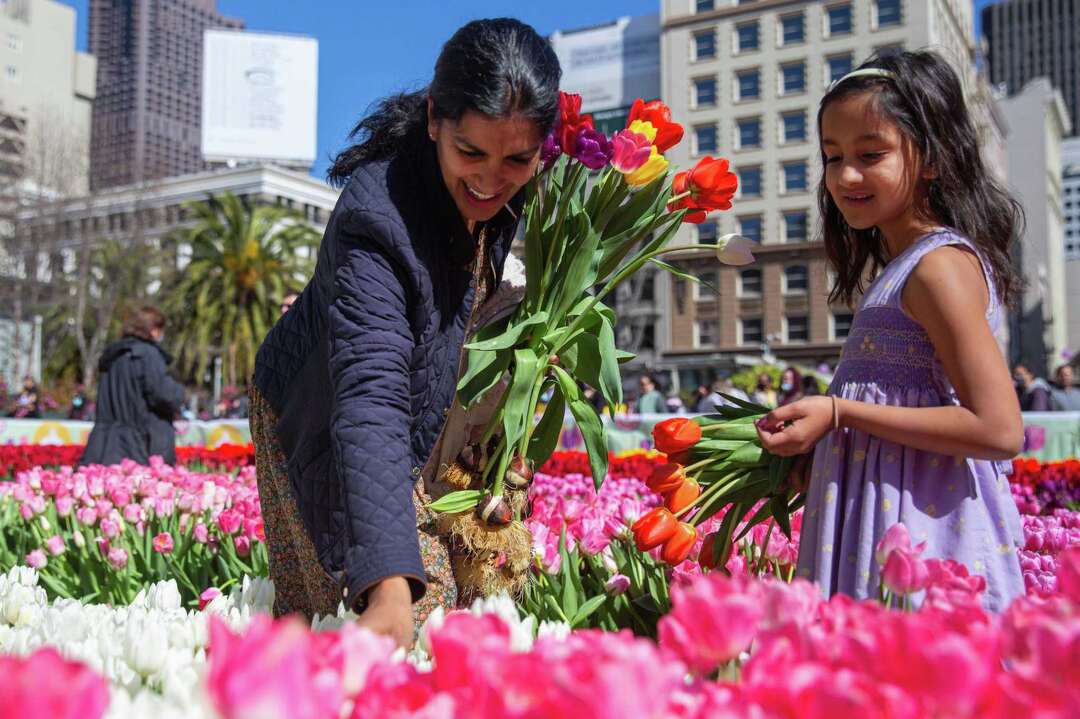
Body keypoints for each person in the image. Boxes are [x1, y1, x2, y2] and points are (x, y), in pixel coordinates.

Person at [248, 19, 560, 648]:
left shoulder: (498, 192)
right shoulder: (376, 222)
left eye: (517, 159)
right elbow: (368, 400)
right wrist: (389, 581)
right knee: (395, 613)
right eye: (470, 152)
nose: (491, 180)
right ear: (434, 121)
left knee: (466, 608)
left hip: (419, 421)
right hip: (316, 408)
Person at [755, 51, 1026, 612]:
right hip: (887, 515)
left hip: (924, 536)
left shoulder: (938, 267)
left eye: (870, 154)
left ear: (930, 157)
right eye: (832, 157)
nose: (845, 175)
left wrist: (840, 414)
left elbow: (999, 428)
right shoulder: (904, 267)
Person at [81, 306, 186, 466]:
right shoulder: (148, 354)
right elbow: (162, 393)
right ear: (153, 330)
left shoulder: (114, 356)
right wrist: (179, 392)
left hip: (104, 442)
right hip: (139, 442)